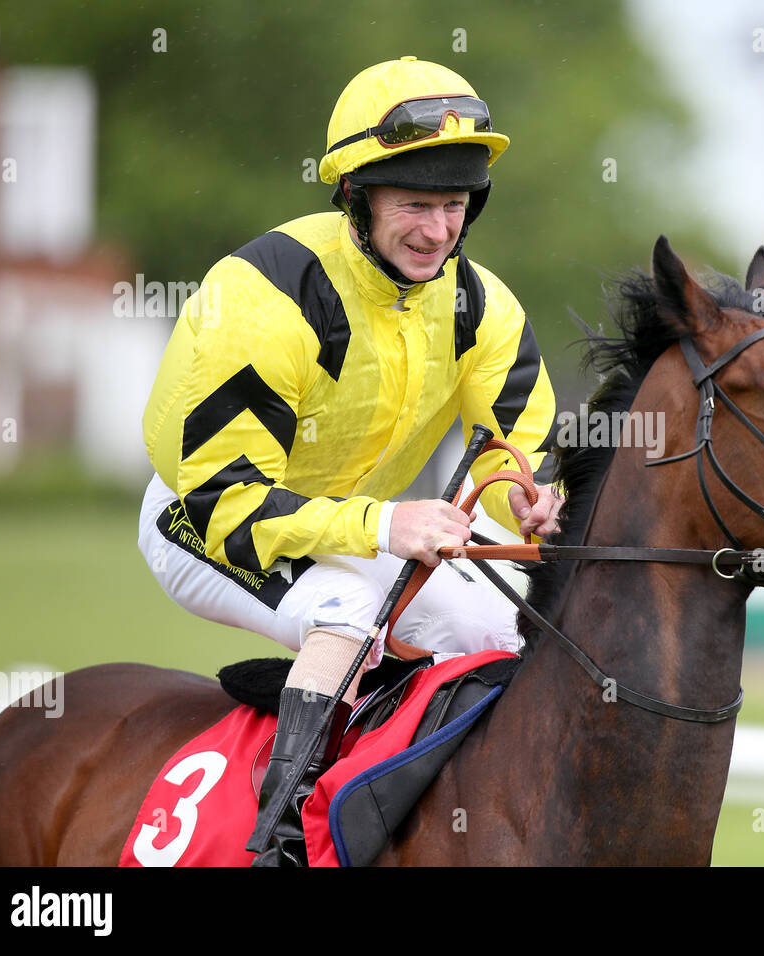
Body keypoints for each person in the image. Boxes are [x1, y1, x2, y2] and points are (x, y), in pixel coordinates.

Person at [138, 57, 561, 866]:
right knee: (342, 610)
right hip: (201, 517)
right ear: (356, 197)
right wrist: (385, 523)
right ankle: (281, 840)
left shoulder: (480, 306)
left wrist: (534, 502)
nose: (437, 231)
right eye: (413, 204)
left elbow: (511, 455)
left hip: (345, 528)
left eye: (452, 205)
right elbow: (226, 497)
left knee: (499, 622)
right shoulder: (262, 300)